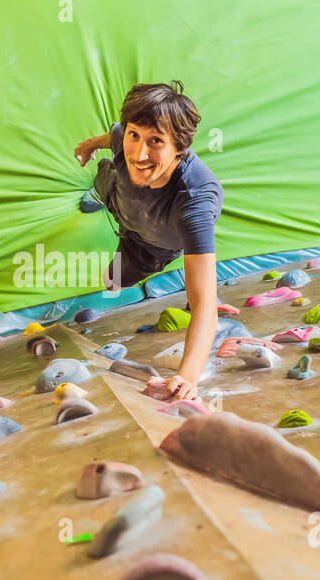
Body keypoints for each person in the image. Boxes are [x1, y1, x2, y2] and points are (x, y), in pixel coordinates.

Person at [75, 81, 223, 401]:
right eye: (135, 136)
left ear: (179, 148)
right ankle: (101, 182)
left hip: (150, 246)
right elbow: (114, 133)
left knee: (113, 280)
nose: (140, 153)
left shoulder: (194, 202)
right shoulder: (126, 142)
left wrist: (186, 376)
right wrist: (89, 145)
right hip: (121, 200)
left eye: (156, 141)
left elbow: (205, 304)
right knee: (107, 178)